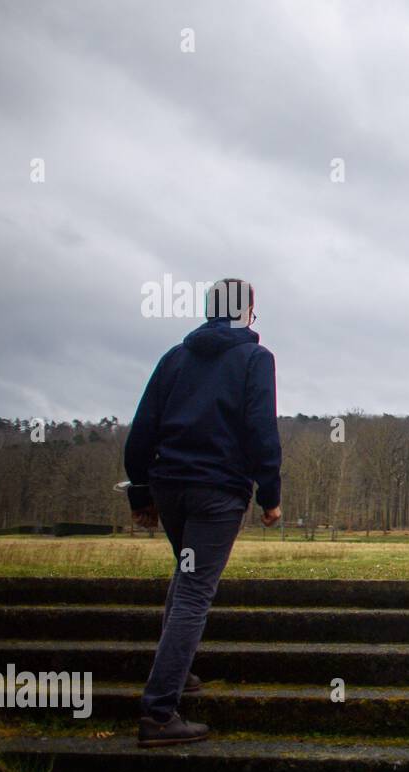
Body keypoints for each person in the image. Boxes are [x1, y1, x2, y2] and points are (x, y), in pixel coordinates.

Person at [124, 278, 282, 747]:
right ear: (248, 311)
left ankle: (179, 670)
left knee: (185, 574)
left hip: (169, 486)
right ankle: (158, 713)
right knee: (194, 593)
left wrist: (140, 494)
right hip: (218, 490)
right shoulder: (256, 359)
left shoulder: (175, 357)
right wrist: (269, 494)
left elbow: (141, 430)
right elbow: (261, 430)